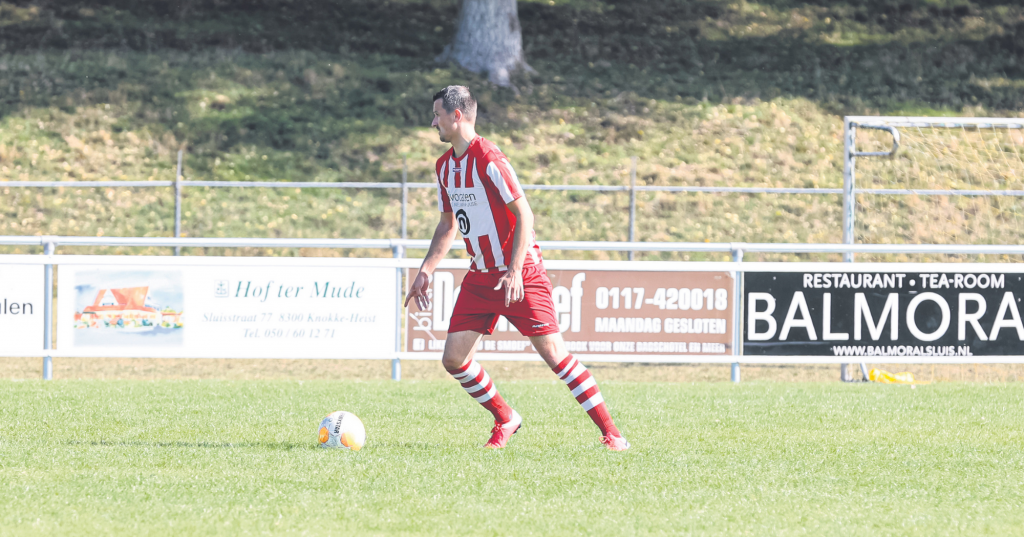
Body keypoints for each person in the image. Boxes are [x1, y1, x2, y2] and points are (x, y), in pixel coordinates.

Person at [404, 85, 630, 451]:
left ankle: (613, 435)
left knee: (555, 357)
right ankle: (506, 418)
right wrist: (426, 270)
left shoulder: (490, 158)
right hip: (481, 276)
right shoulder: (444, 166)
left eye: (437, 115)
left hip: (520, 274)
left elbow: (524, 213)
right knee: (454, 359)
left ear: (457, 115)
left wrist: (513, 270)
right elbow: (448, 224)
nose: (433, 122)